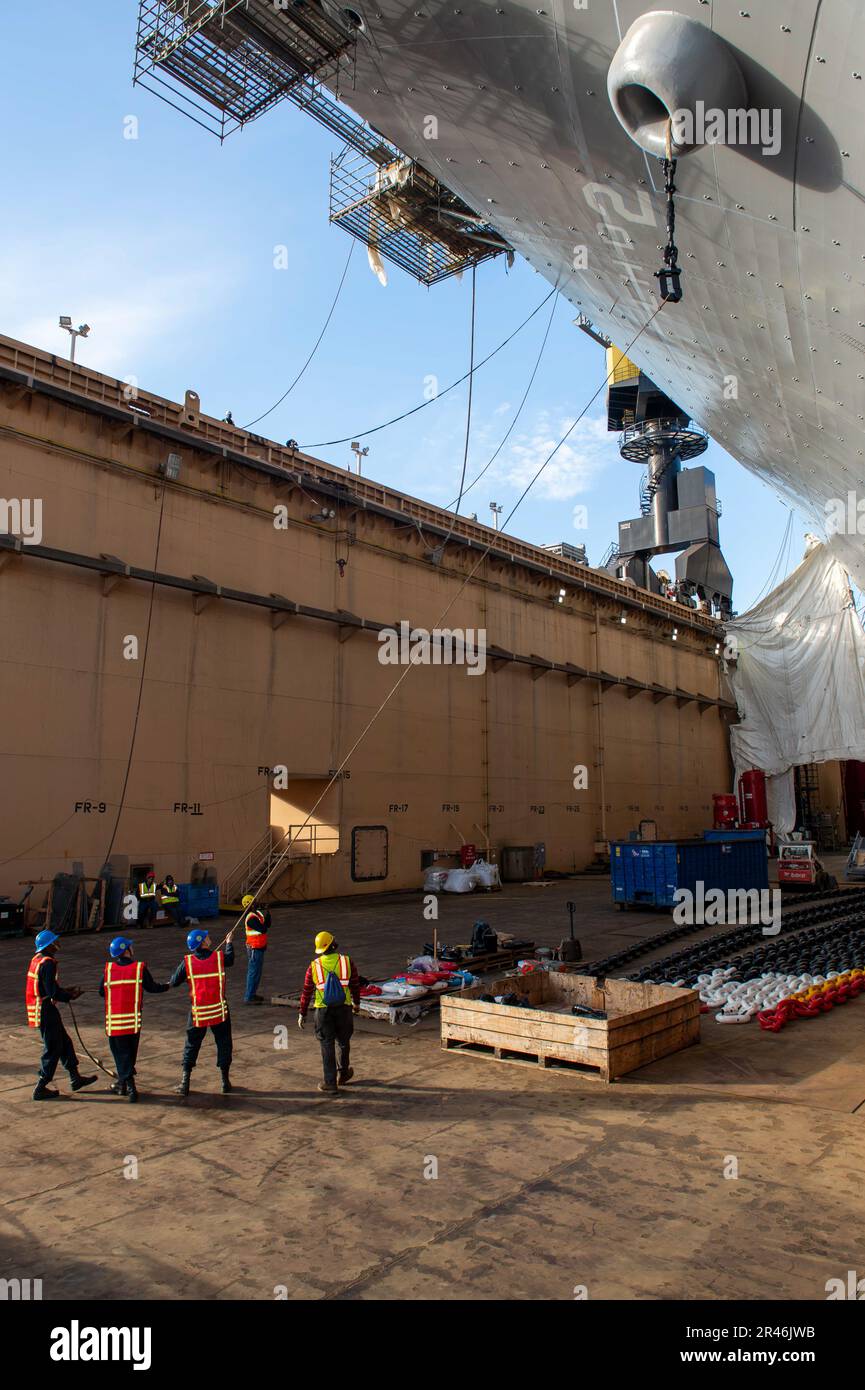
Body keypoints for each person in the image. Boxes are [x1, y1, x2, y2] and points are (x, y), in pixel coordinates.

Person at [26, 929, 97, 1101]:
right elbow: (52, 992)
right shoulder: (48, 963)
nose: (57, 945)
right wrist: (68, 996)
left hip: (43, 1008)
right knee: (53, 1047)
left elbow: (46, 988)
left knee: (65, 1042)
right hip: (45, 1010)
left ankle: (75, 1078)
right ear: (48, 945)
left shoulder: (37, 960)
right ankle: (41, 1086)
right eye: (54, 942)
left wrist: (65, 990)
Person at [99, 936, 169, 1102]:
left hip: (115, 1022)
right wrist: (168, 985)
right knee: (129, 1054)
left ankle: (127, 1086)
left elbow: (102, 992)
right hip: (133, 1022)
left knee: (121, 1054)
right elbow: (152, 987)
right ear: (126, 950)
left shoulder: (109, 970)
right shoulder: (139, 968)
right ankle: (125, 1085)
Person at [170, 926, 236, 1096]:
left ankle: (185, 1082)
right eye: (206, 937)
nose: (209, 938)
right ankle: (224, 1081)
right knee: (224, 1043)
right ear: (202, 942)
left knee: (191, 1045)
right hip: (219, 1010)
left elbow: (174, 981)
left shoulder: (188, 962)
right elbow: (230, 959)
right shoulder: (218, 957)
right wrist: (229, 943)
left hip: (198, 1012)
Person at [297, 930, 360, 1094]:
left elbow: (306, 991)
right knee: (343, 1041)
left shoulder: (314, 966)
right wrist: (356, 1003)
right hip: (344, 1008)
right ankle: (343, 1073)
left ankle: (330, 1083)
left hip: (323, 1011)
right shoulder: (347, 961)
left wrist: (302, 1013)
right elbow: (355, 984)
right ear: (334, 944)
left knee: (327, 1044)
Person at [241, 893, 271, 1005]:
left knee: (257, 972)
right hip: (254, 948)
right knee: (253, 972)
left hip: (259, 947)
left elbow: (267, 925)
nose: (256, 903)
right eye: (254, 902)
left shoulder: (257, 914)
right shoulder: (250, 918)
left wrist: (268, 912)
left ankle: (252, 994)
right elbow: (263, 929)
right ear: (250, 905)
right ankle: (249, 997)